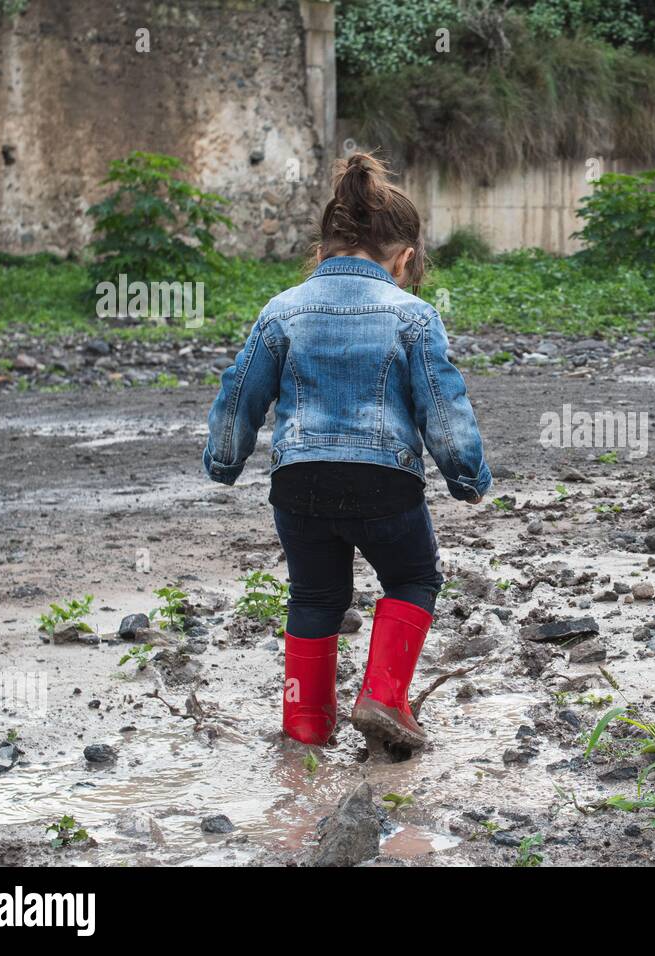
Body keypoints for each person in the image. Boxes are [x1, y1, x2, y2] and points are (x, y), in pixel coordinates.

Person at [202, 152, 491, 750]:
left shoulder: (280, 310)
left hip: (299, 484)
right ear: (405, 257)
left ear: (324, 249)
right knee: (413, 577)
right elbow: (443, 409)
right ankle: (383, 697)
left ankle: (305, 729)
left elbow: (240, 394)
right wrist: (466, 476)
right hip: (383, 484)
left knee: (314, 597)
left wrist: (225, 461)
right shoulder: (414, 316)